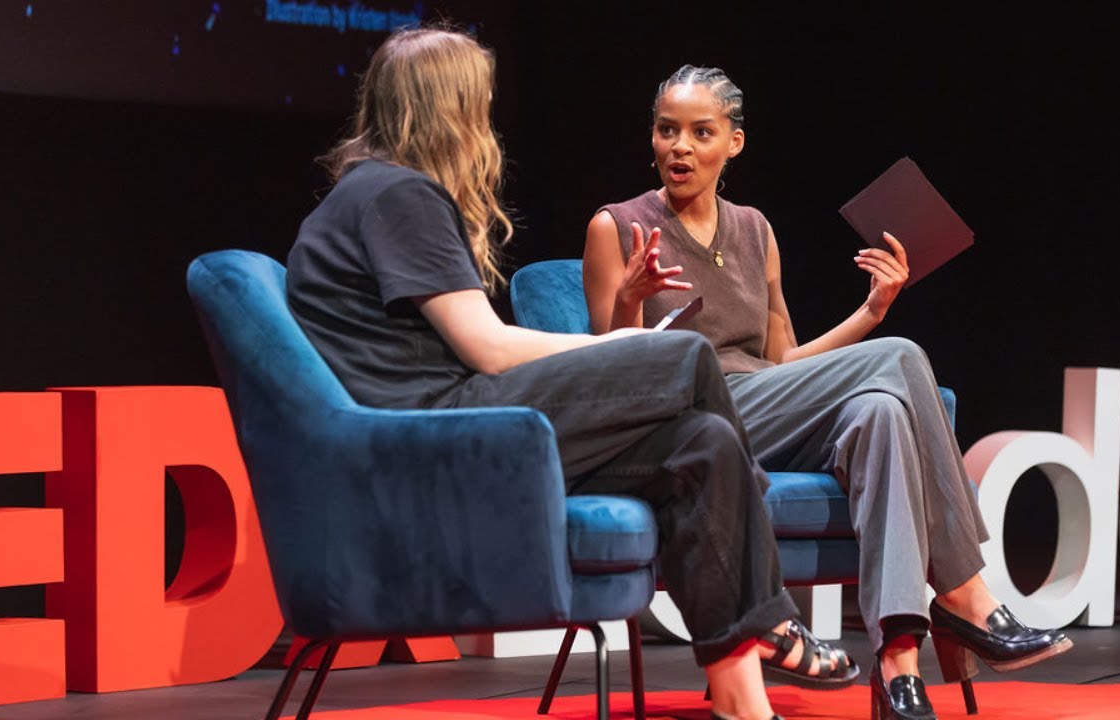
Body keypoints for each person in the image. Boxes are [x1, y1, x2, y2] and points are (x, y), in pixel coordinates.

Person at [285, 29, 860, 720]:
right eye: (478, 105)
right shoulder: (398, 195)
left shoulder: (375, 190)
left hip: (441, 415)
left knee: (703, 443)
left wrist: (617, 349)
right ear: (446, 110)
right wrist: (614, 349)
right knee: (684, 355)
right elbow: (486, 348)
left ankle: (743, 704)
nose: (485, 125)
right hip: (436, 432)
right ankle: (769, 607)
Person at [583, 64, 1073, 720]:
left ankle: (898, 664)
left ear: (734, 142)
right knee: (901, 358)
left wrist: (871, 313)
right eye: (667, 130)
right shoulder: (616, 226)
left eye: (701, 132)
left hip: (768, 402)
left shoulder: (754, 229)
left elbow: (784, 361)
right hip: (696, 418)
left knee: (881, 410)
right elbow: (608, 373)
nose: (681, 147)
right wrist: (628, 300)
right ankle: (965, 595)